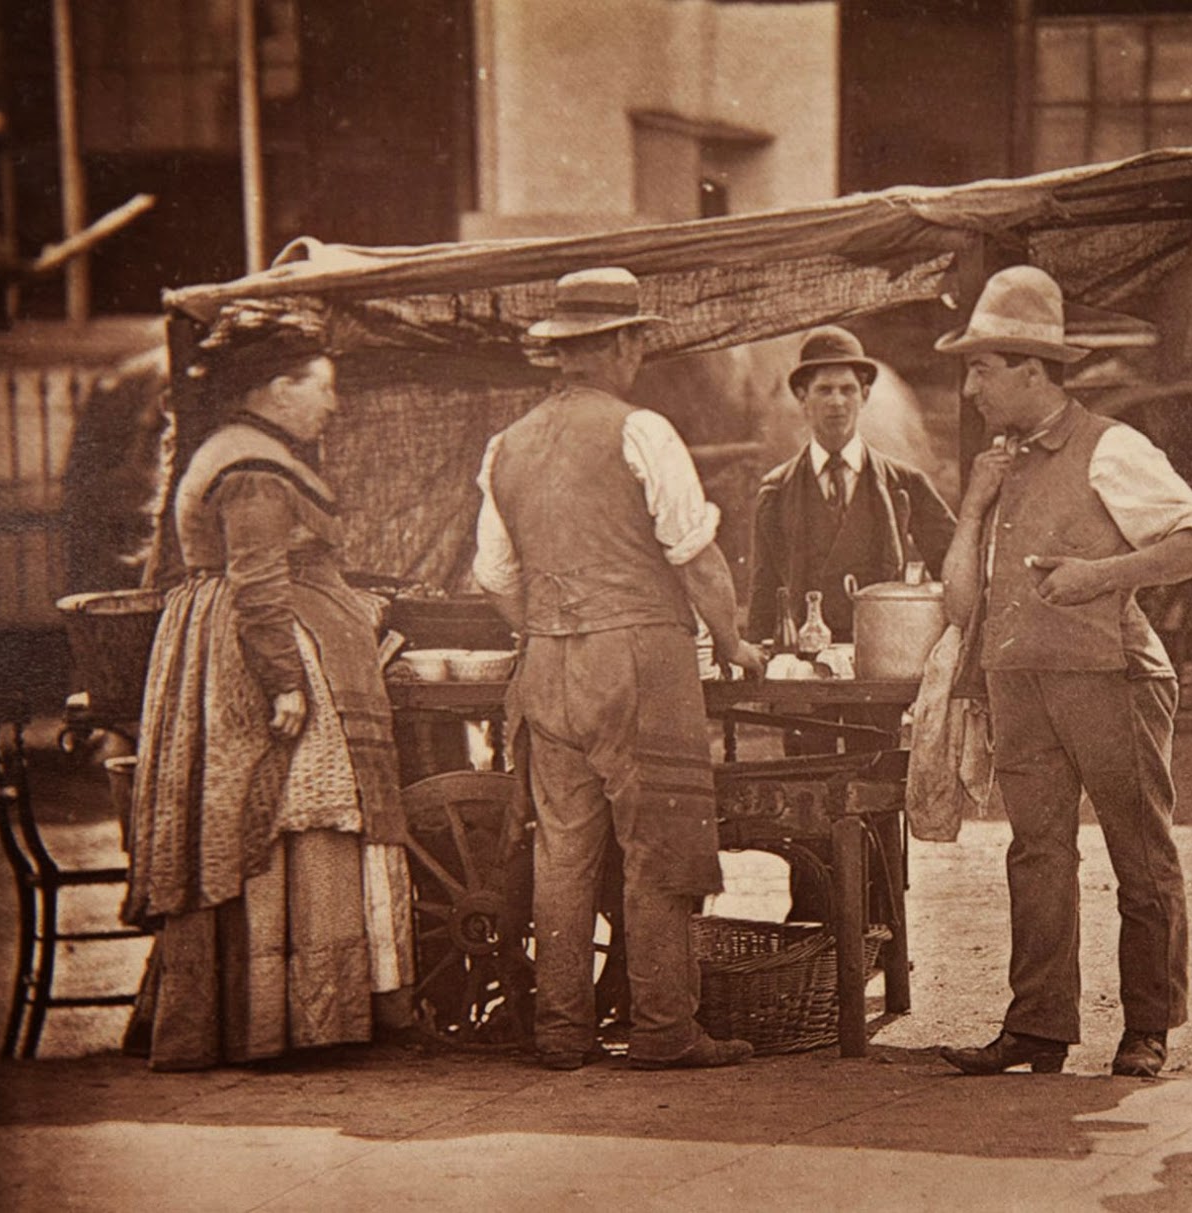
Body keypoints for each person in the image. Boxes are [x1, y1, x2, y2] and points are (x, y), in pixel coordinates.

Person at [934, 265, 1192, 1079]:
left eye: (982, 369)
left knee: (1140, 851)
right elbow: (960, 606)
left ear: (1033, 369)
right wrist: (972, 505)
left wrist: (1100, 577)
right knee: (1036, 853)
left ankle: (1148, 1027)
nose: (970, 389)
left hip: (1111, 676)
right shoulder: (996, 463)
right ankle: (1037, 1027)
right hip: (1019, 681)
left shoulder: (1113, 446)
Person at [474, 266, 766, 1071]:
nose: (640, 351)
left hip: (545, 666)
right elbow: (697, 560)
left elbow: (496, 578)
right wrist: (735, 643)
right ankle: (664, 1028)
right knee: (657, 847)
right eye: (635, 337)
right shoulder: (643, 430)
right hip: (637, 663)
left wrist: (551, 627)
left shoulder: (508, 445)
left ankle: (562, 1031)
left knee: (563, 851)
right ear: (614, 345)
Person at [122, 302, 415, 1071]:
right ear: (278, 388)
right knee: (290, 812)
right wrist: (284, 681)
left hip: (239, 641)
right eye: (321, 386)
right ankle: (284, 1022)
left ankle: (277, 1016)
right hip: (253, 656)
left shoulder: (238, 447)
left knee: (272, 818)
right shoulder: (251, 463)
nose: (332, 402)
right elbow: (257, 581)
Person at [747, 326, 956, 645]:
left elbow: (954, 568)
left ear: (865, 395)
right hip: (806, 666)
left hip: (883, 659)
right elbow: (764, 597)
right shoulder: (776, 492)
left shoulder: (905, 483)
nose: (837, 402)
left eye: (848, 390)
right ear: (802, 397)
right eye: (824, 390)